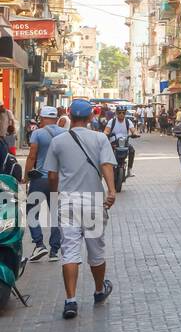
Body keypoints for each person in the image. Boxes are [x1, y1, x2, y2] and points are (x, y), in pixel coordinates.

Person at [46, 98, 117, 319]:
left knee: (69, 251)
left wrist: (57, 196)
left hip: (68, 202)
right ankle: (98, 291)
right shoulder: (100, 138)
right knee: (96, 251)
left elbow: (51, 175)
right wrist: (112, 191)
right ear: (90, 117)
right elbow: (106, 165)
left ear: (69, 115)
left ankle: (70, 300)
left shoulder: (58, 141)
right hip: (94, 201)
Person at [23, 106, 66, 263]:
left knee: (31, 211)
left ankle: (39, 244)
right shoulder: (64, 133)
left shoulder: (38, 133)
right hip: (57, 179)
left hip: (40, 179)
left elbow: (31, 156)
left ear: (43, 118)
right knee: (55, 213)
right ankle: (54, 250)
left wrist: (26, 177)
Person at [104, 106, 138, 181]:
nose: (121, 114)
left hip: (124, 142)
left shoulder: (128, 122)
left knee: (132, 150)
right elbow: (106, 130)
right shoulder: (112, 121)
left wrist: (135, 134)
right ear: (116, 113)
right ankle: (106, 170)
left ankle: (129, 170)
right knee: (106, 153)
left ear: (125, 113)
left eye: (123, 113)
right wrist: (106, 133)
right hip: (114, 142)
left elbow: (133, 130)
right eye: (119, 112)